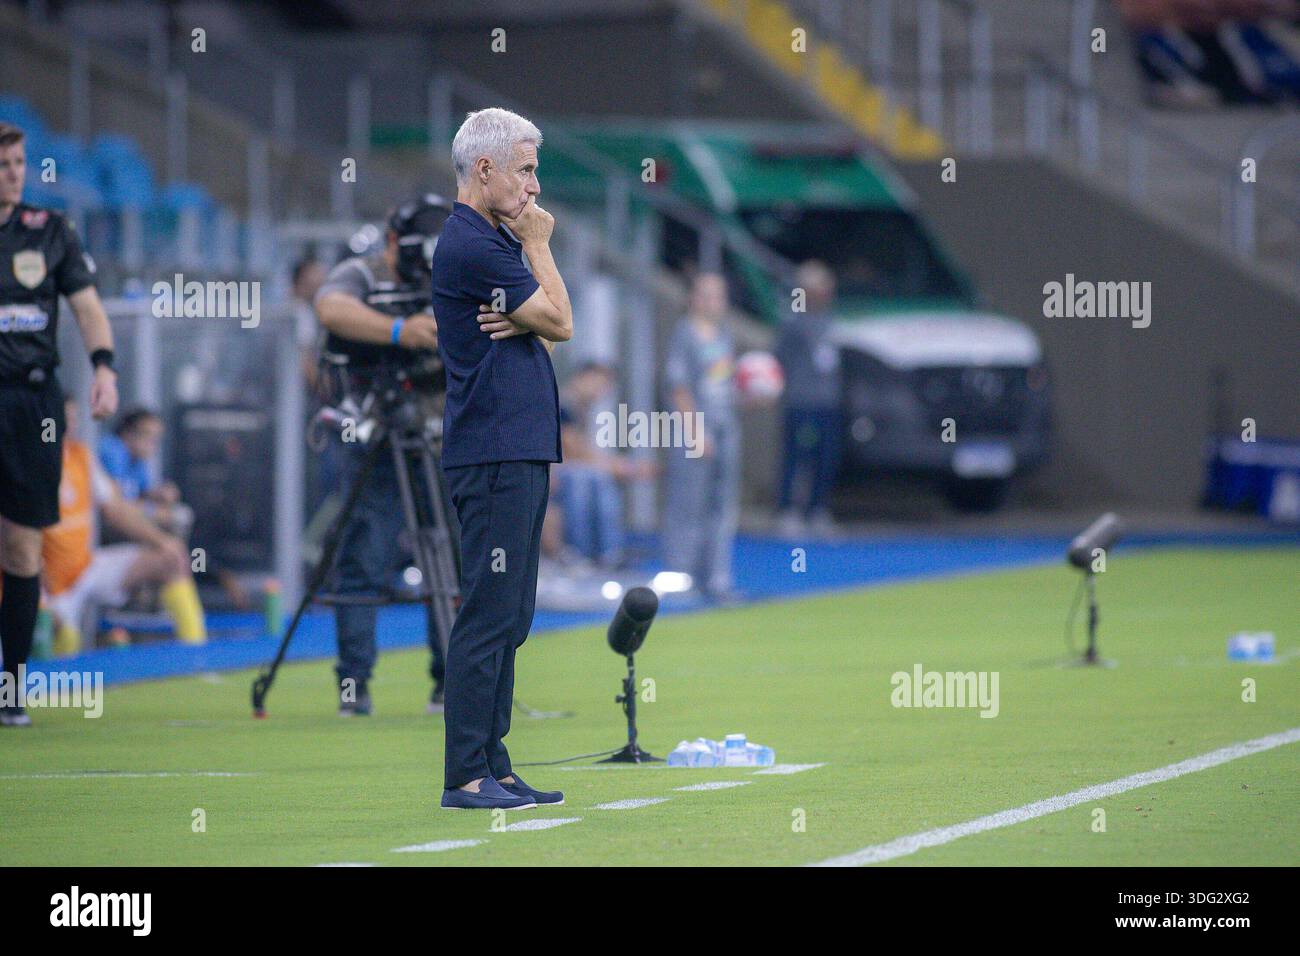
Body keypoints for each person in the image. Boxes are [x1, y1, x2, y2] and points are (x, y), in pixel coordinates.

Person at [432, 107, 572, 811]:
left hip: (512, 449)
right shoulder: (475, 243)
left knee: (511, 614)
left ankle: (494, 762)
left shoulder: (490, 241)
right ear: (483, 169)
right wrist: (540, 250)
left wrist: (528, 314)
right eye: (525, 169)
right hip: (491, 453)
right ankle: (464, 774)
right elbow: (562, 323)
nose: (534, 188)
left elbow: (542, 332)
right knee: (488, 613)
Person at [314, 195, 451, 717]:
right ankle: (354, 686)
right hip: (374, 434)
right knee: (365, 554)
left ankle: (450, 685)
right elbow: (330, 309)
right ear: (394, 241)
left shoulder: (448, 272)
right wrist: (401, 331)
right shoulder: (362, 273)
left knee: (451, 556)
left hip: (436, 432)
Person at [0, 121, 118, 728]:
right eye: (4, 163)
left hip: (29, 405)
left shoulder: (50, 233)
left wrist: (103, 367)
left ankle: (11, 687)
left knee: (22, 545)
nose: (14, 172)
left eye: (19, 162)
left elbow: (88, 307)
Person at [42, 397, 206, 654]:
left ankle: (198, 656)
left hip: (86, 566)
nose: (68, 426)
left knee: (172, 557)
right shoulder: (24, 463)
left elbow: (117, 509)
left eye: (72, 418)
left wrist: (163, 540)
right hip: (44, 582)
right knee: (61, 636)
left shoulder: (81, 456)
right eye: (60, 419)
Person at [662, 272, 743, 603]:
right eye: (707, 295)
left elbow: (727, 385)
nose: (715, 303)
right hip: (694, 429)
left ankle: (718, 579)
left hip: (726, 427)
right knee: (688, 505)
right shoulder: (684, 334)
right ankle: (683, 577)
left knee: (722, 506)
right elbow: (677, 386)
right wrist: (696, 431)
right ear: (694, 298)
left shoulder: (724, 335)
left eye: (719, 296)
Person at [556, 361, 653, 568]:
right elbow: (572, 450)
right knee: (587, 478)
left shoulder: (582, 409)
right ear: (583, 377)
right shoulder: (564, 403)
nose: (602, 391)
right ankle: (580, 554)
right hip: (549, 471)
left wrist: (620, 465)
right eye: (600, 383)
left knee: (597, 477)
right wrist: (620, 466)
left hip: (564, 469)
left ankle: (608, 554)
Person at [774, 260, 842, 538]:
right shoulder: (793, 322)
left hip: (828, 401)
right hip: (802, 402)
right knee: (797, 457)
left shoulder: (829, 321)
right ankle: (788, 510)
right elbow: (780, 359)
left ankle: (817, 508)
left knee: (826, 458)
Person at [98, 407, 193, 540]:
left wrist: (159, 494)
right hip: (100, 523)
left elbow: (141, 493)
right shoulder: (113, 450)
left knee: (179, 514)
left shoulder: (138, 459)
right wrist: (154, 511)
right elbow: (116, 506)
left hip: (124, 514)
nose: (152, 444)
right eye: (148, 436)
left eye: (156, 439)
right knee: (176, 518)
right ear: (128, 433)